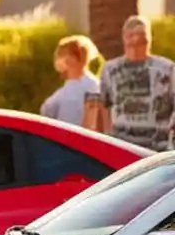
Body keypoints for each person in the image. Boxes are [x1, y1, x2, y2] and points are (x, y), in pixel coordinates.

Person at [87, 16, 175, 151]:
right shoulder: (110, 70)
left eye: (141, 41)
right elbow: (103, 105)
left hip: (157, 146)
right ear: (124, 39)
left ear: (149, 40)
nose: (136, 46)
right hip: (121, 145)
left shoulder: (167, 69)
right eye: (131, 40)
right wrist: (105, 139)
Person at [40, 35, 101, 126]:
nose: (57, 60)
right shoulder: (69, 87)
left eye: (61, 55)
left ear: (74, 59)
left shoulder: (93, 87)